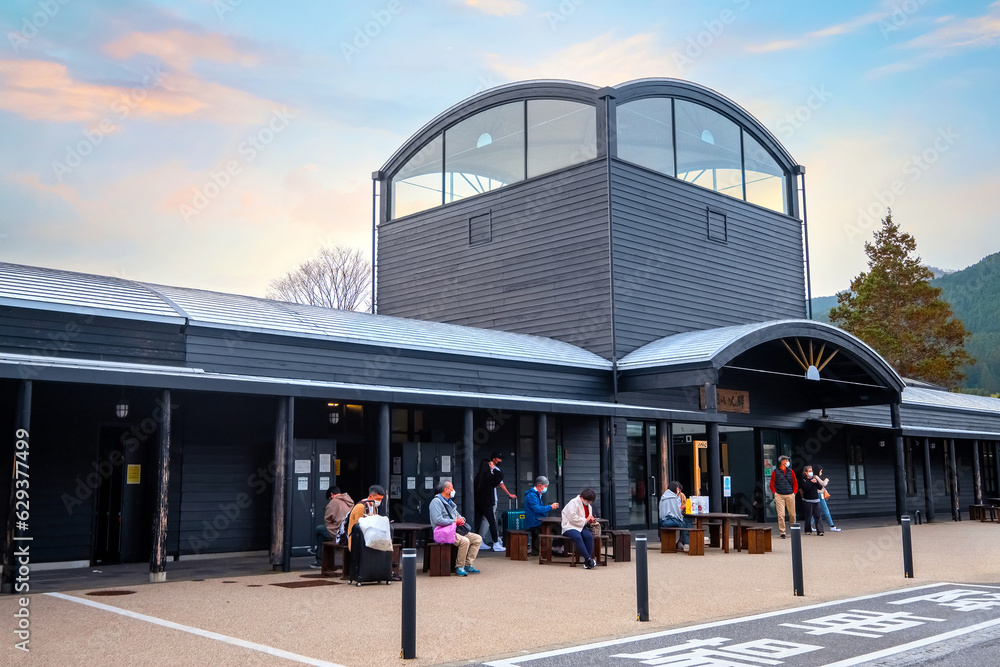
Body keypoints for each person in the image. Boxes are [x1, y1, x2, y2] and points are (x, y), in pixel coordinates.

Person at [429, 480, 483, 576]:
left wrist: (462, 519)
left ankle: (468, 564)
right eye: (452, 487)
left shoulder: (450, 502)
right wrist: (454, 521)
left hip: (455, 529)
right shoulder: (436, 502)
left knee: (477, 538)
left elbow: (458, 515)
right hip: (443, 531)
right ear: (446, 489)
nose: (454, 490)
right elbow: (437, 520)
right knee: (465, 541)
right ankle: (460, 566)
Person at [474, 452, 516, 552]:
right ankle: (496, 543)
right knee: (492, 522)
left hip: (479, 503)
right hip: (488, 503)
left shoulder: (477, 478)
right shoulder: (490, 477)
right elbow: (500, 476)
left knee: (478, 522)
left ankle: (477, 541)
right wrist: (493, 469)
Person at [310, 486, 354, 568]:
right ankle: (317, 553)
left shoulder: (334, 502)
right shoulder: (349, 501)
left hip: (337, 531)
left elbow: (327, 518)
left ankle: (319, 560)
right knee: (321, 536)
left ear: (331, 495)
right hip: (347, 531)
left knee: (319, 529)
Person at [562, 488, 599, 569]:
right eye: (588, 500)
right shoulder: (573, 503)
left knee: (589, 536)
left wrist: (590, 520)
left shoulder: (588, 506)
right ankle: (588, 559)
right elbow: (572, 517)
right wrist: (586, 520)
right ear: (583, 498)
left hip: (581, 526)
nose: (589, 503)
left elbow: (587, 518)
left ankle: (588, 561)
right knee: (578, 537)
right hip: (569, 526)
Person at [524, 475, 559, 555]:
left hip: (536, 520)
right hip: (534, 522)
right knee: (555, 527)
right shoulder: (532, 495)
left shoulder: (536, 494)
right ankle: (554, 549)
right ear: (540, 485)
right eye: (545, 486)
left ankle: (551, 549)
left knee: (553, 526)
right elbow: (536, 509)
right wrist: (550, 507)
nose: (546, 488)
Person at [346, 484, 385, 551]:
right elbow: (358, 527)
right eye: (378, 499)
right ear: (370, 496)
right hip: (357, 541)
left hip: (368, 539)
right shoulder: (361, 507)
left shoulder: (374, 507)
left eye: (381, 499)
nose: (379, 501)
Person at [658, 481, 693, 551]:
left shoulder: (663, 496)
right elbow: (678, 514)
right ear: (677, 489)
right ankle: (687, 543)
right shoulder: (674, 498)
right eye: (679, 491)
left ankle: (681, 542)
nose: (679, 493)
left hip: (663, 521)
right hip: (671, 520)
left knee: (684, 522)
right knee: (686, 522)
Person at [769, 455, 798, 539]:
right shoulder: (775, 472)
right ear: (781, 461)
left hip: (790, 494)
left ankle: (793, 529)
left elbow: (795, 483)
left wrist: (794, 493)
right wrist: (775, 493)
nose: (787, 462)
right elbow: (772, 484)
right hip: (779, 495)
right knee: (781, 515)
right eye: (786, 460)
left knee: (792, 514)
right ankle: (782, 532)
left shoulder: (791, 471)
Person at [800, 465, 825, 535]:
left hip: (816, 499)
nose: (811, 472)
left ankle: (820, 531)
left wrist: (816, 482)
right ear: (806, 472)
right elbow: (806, 488)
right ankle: (808, 530)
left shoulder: (815, 479)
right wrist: (811, 482)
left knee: (818, 516)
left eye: (812, 471)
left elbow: (820, 487)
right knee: (808, 516)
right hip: (808, 500)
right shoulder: (804, 480)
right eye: (809, 471)